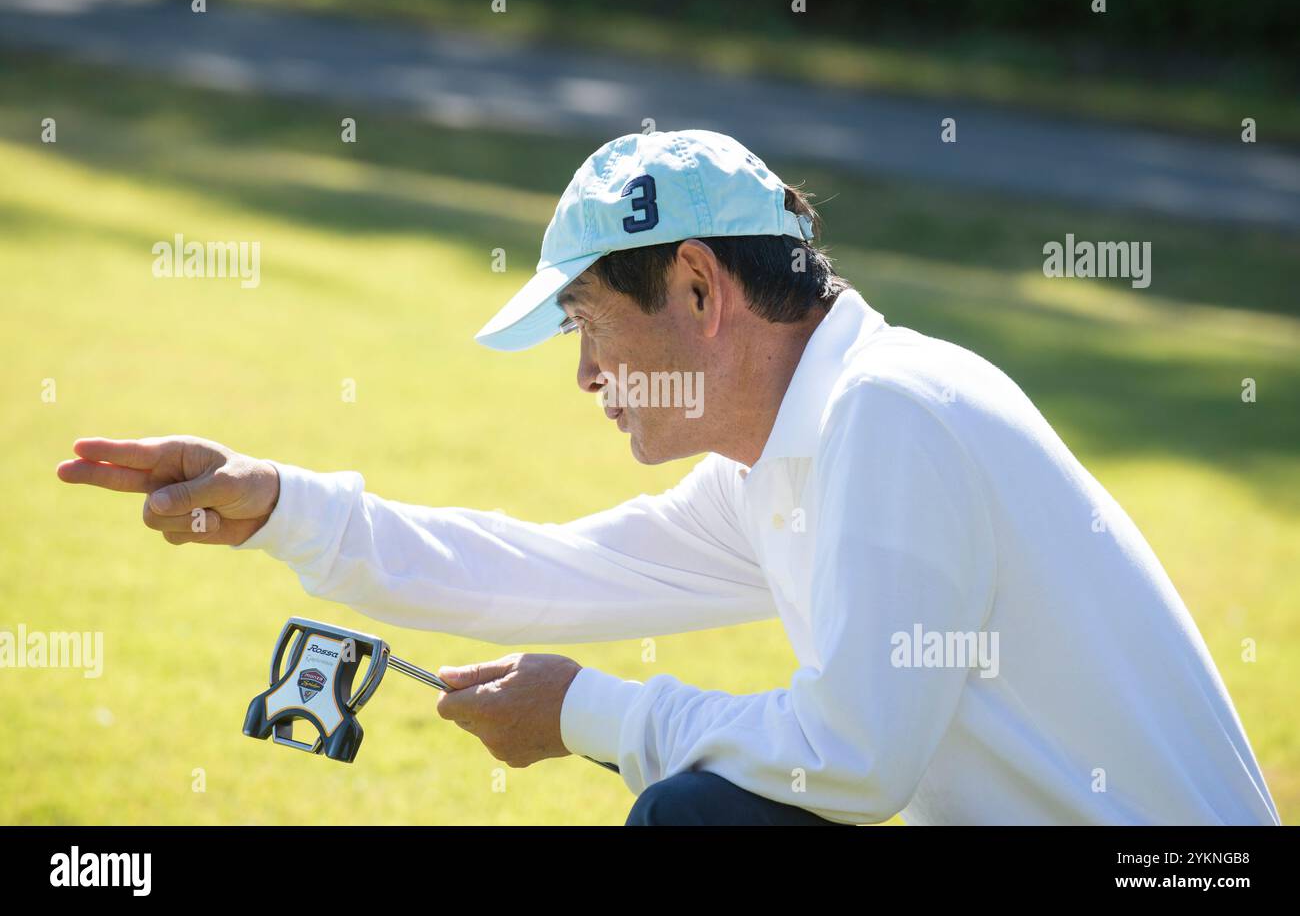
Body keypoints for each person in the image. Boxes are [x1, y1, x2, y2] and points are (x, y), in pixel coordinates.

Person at [58, 130, 1280, 826]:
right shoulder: (797, 449)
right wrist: (281, 502)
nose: (586, 375)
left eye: (589, 324)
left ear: (698, 287)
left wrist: (589, 713)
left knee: (703, 822)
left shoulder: (891, 414)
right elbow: (549, 569)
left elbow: (853, 755)